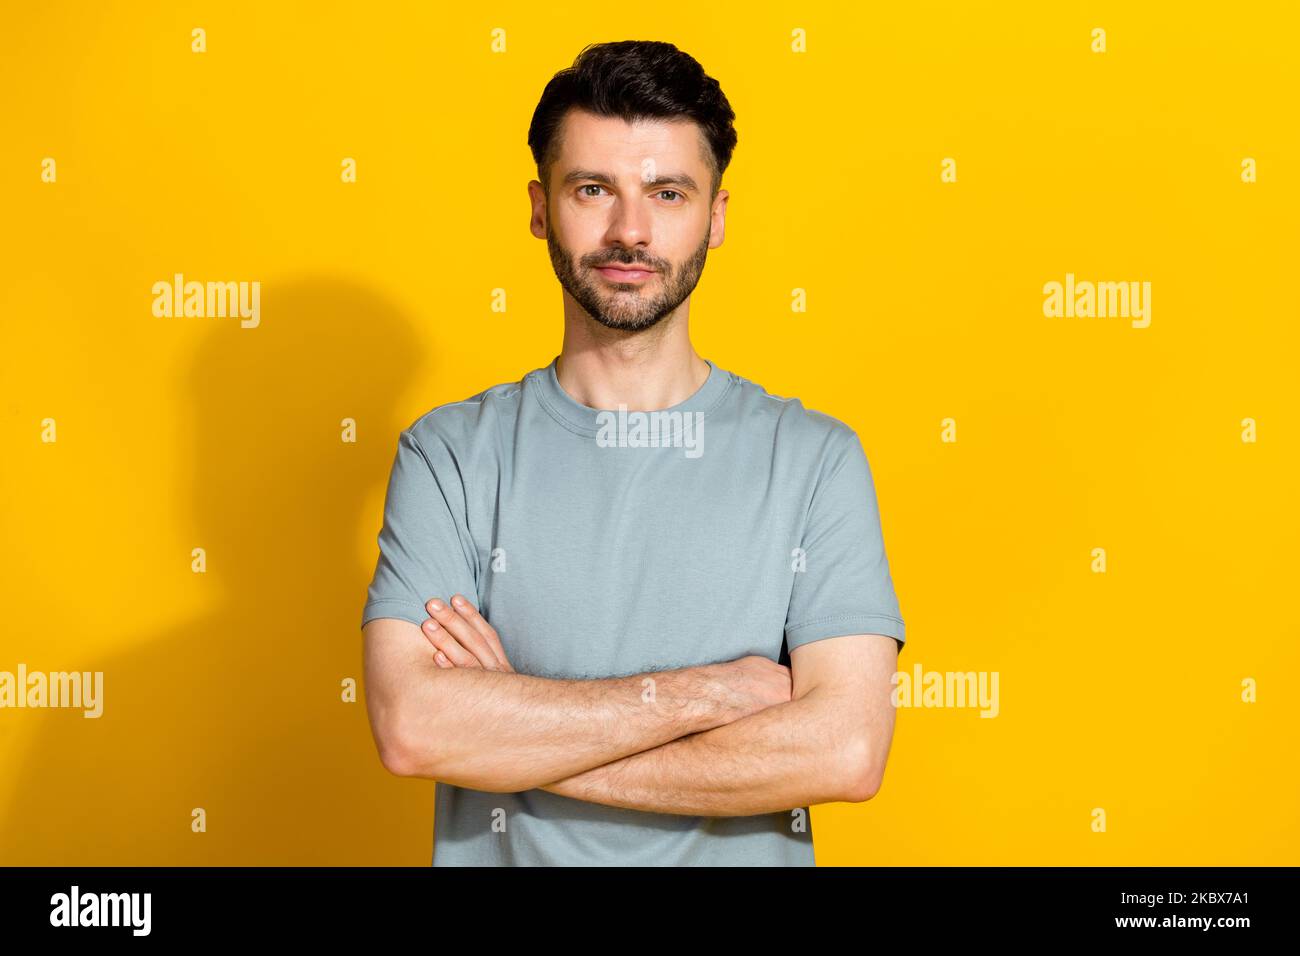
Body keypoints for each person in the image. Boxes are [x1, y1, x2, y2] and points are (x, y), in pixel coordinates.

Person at [360, 39, 906, 866]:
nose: (630, 231)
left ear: (716, 217)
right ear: (541, 208)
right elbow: (413, 728)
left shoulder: (815, 460)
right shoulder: (450, 456)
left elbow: (846, 752)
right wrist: (709, 695)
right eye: (593, 190)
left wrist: (513, 728)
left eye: (667, 192)